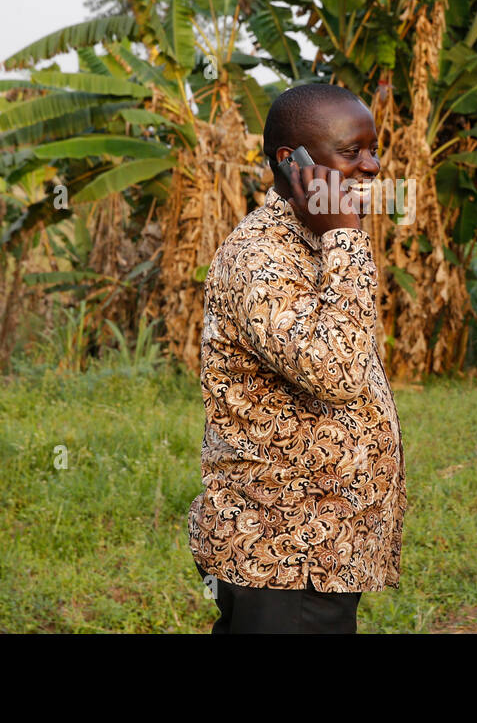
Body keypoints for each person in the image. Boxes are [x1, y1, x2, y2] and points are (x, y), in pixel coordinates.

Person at [188, 83, 407, 633]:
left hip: (317, 549)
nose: (373, 166)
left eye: (373, 149)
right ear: (293, 163)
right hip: (285, 553)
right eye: (352, 152)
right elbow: (339, 374)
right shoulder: (262, 259)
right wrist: (345, 235)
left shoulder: (316, 241)